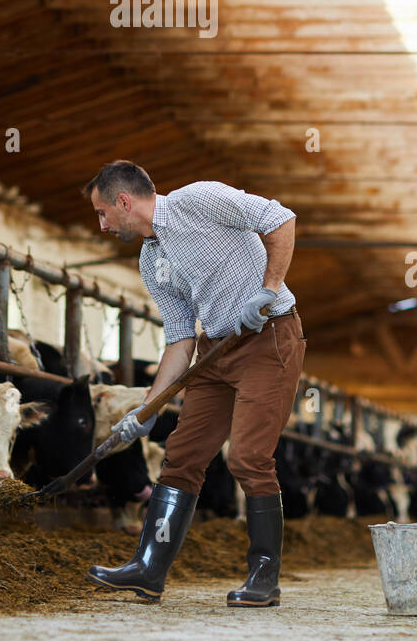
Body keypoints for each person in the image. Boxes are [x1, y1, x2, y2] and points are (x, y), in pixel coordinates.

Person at [81, 160, 305, 606]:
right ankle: (148, 568)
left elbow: (281, 219)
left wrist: (267, 288)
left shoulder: (198, 200)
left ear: (124, 202)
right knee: (181, 456)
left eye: (103, 213)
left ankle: (264, 577)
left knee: (247, 458)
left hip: (269, 339)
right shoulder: (151, 258)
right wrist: (146, 411)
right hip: (213, 353)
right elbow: (180, 341)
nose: (103, 225)